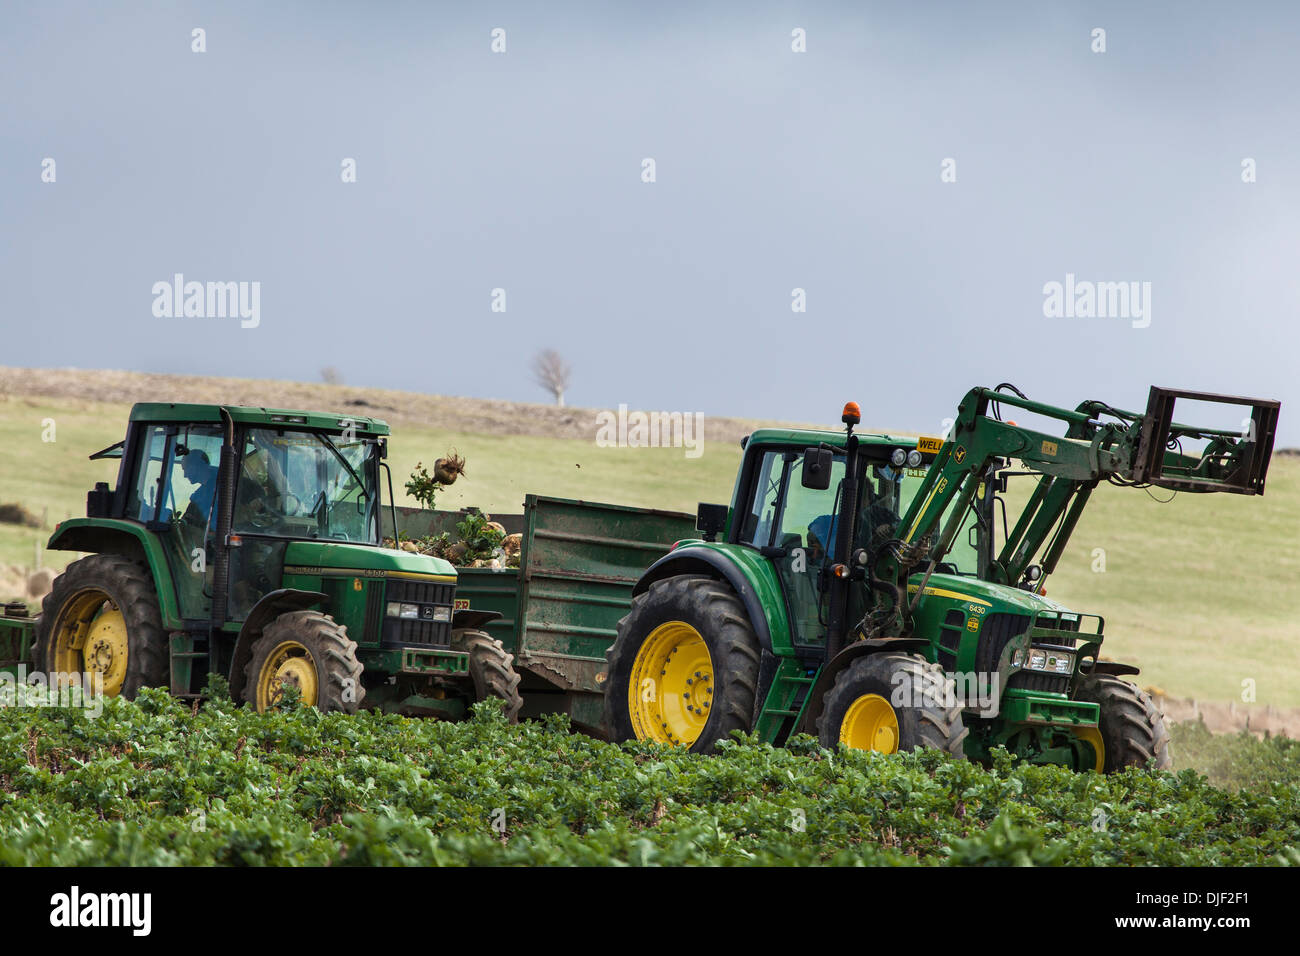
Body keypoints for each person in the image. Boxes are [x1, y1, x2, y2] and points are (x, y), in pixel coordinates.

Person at [181, 449, 219, 524]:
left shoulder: (226, 486)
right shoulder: (197, 496)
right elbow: (186, 521)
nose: (185, 475)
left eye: (186, 469)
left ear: (197, 465)